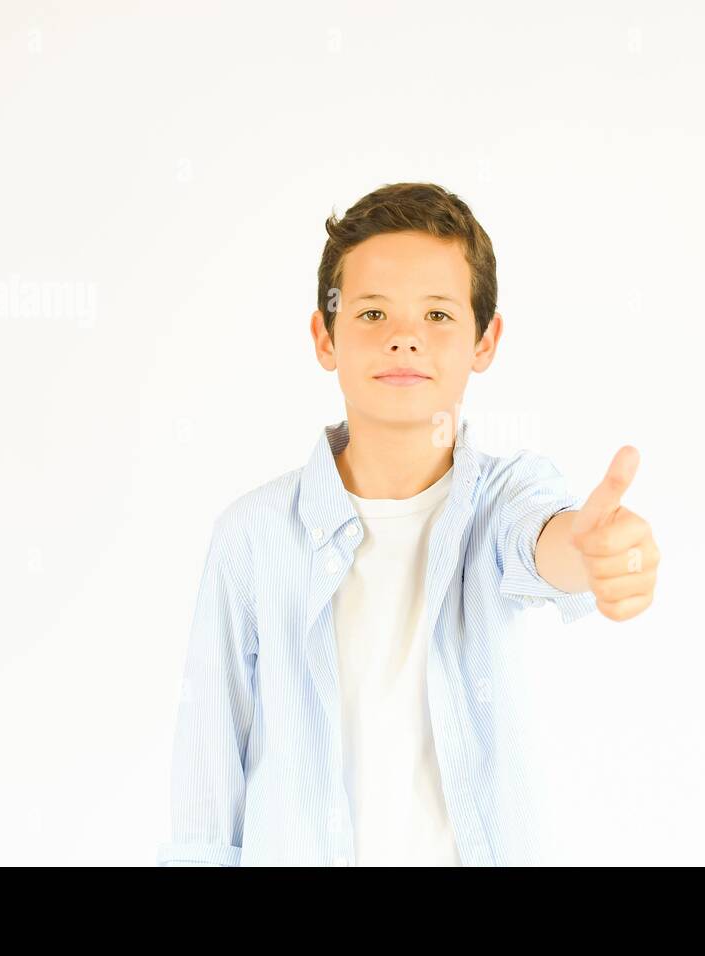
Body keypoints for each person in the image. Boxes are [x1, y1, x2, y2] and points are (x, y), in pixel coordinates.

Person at [158, 182, 659, 867]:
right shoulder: (252, 536)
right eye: (370, 312)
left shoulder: (504, 499)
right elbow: (206, 775)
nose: (403, 337)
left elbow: (543, 542)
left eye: (437, 314)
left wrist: (590, 553)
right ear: (323, 335)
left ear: (486, 340)